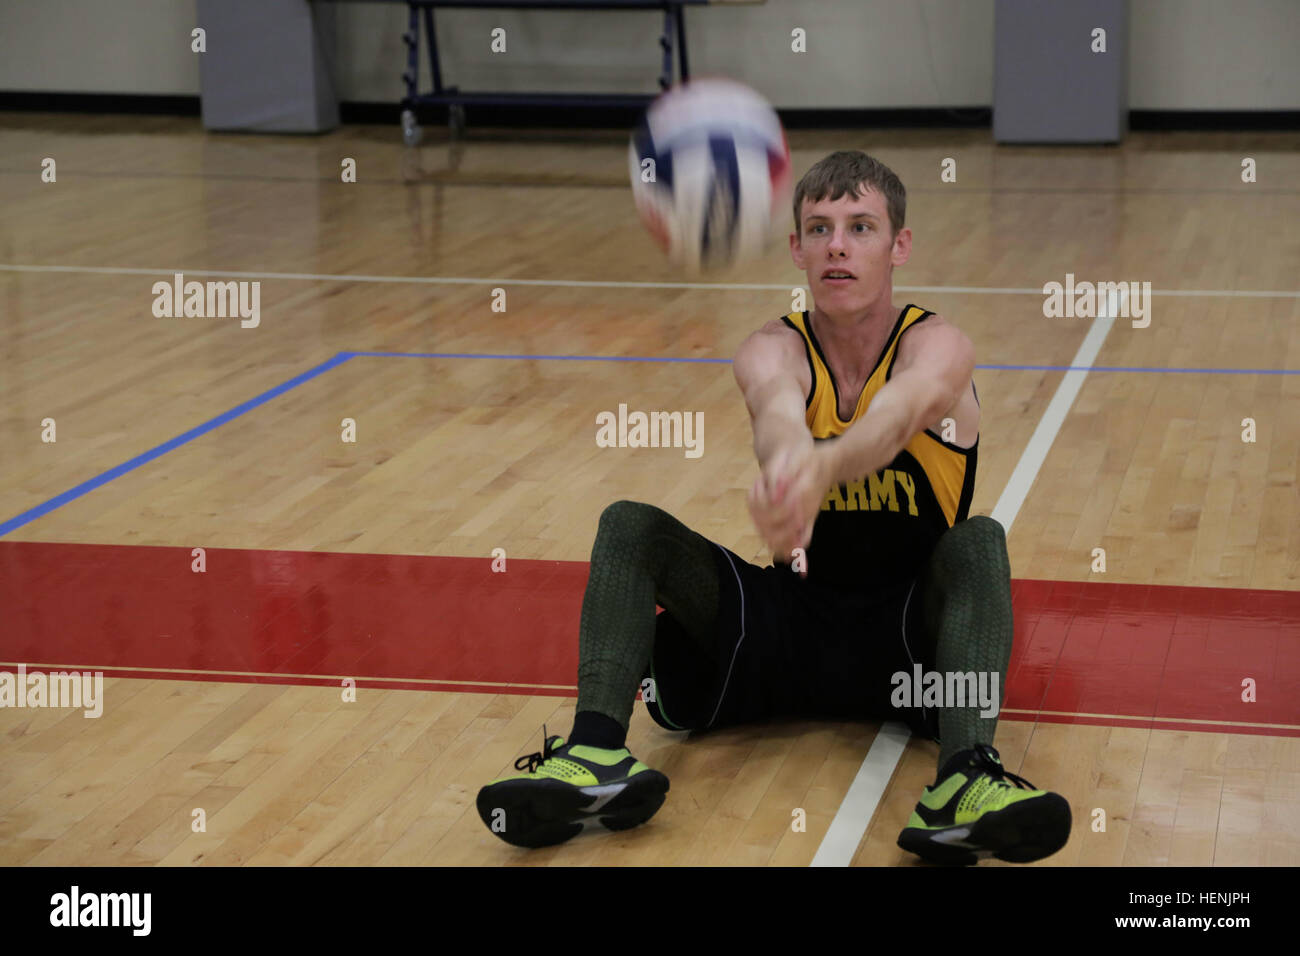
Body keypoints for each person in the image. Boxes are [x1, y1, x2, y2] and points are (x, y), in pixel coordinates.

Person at [476, 150, 1071, 865]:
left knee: (979, 541)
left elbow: (894, 418)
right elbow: (778, 413)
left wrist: (823, 467)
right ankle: (596, 753)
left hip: (912, 648)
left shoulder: (939, 346)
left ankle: (967, 778)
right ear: (796, 249)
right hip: (783, 628)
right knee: (628, 526)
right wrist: (792, 459)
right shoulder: (770, 348)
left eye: (861, 227)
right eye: (819, 229)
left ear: (899, 246)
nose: (838, 246)